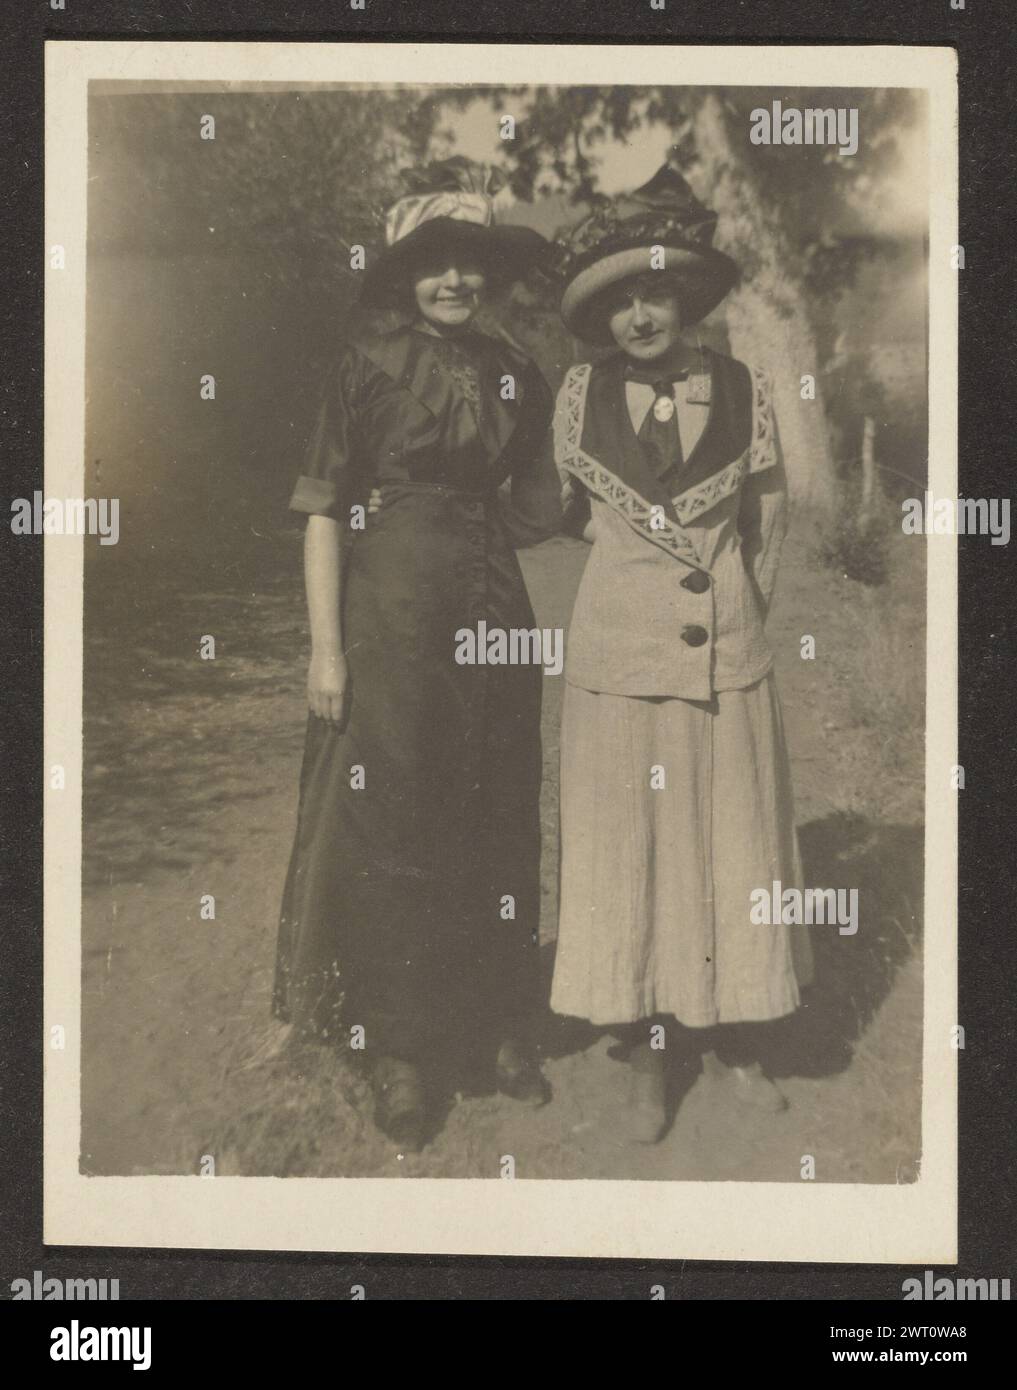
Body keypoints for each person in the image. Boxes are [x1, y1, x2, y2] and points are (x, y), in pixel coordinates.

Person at [273, 158, 560, 1150]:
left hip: (495, 605)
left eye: (469, 264)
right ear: (405, 271)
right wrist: (327, 651)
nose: (453, 281)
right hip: (390, 615)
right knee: (399, 812)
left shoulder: (516, 368)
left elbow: (551, 497)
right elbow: (319, 514)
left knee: (498, 802)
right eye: (433, 264)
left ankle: (496, 1024)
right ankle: (401, 1048)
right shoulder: (361, 363)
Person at [549, 163, 813, 1143]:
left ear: (687, 297)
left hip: (723, 658)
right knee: (634, 842)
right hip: (621, 662)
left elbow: (770, 504)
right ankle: (648, 1043)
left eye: (655, 293)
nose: (639, 317)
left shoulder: (744, 388)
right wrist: (638, 580)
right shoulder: (581, 397)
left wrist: (746, 593)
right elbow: (571, 514)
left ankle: (738, 1026)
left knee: (730, 830)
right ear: (604, 319)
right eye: (620, 303)